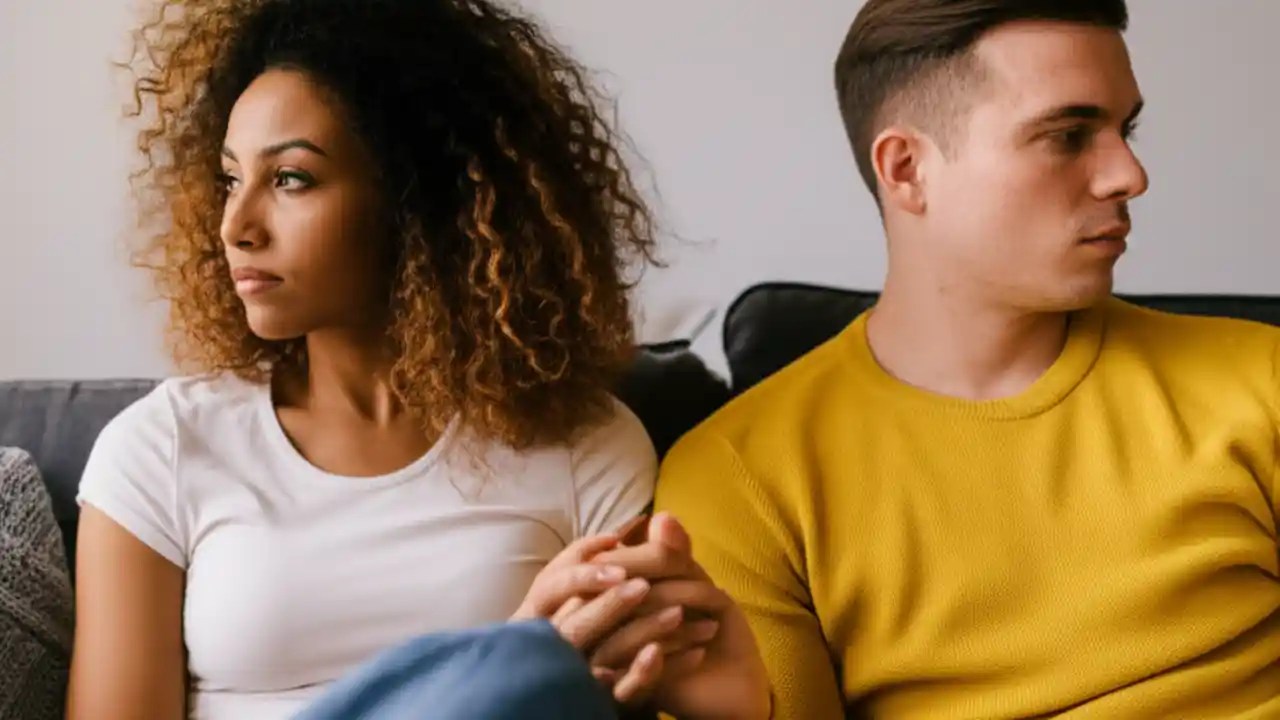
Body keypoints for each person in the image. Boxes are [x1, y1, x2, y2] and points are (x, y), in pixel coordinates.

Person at [66, 1, 764, 718]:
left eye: (290, 179)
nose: (236, 226)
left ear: (421, 198)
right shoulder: (161, 450)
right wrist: (507, 664)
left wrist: (737, 708)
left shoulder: (588, 447)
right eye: (229, 180)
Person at [656, 0, 1280, 717]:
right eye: (1069, 135)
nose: (1129, 175)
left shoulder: (1263, 380)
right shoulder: (740, 481)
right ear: (907, 168)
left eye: (1125, 129)